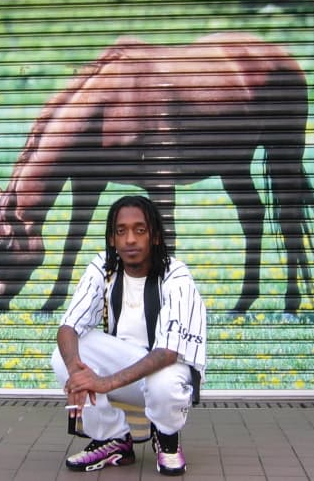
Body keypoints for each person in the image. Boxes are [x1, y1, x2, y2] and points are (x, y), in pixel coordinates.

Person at [51, 195, 207, 476]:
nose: (130, 239)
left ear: (155, 236)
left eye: (140, 230)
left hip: (166, 371)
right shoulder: (103, 267)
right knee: (65, 355)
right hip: (126, 370)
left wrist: (102, 382)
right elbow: (68, 327)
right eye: (121, 231)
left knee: (163, 381)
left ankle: (167, 439)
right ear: (112, 239)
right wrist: (77, 374)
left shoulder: (176, 276)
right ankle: (113, 438)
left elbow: (168, 352)